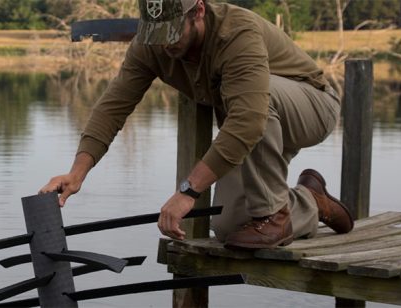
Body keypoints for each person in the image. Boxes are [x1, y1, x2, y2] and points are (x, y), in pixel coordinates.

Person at [40, 0, 354, 249]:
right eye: (157, 35)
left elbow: (247, 122)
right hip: (255, 128)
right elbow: (112, 107)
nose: (165, 45)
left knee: (258, 102)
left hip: (310, 107)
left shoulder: (236, 32)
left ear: (198, 11)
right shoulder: (151, 44)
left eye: (173, 33)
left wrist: (187, 191)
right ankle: (311, 201)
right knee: (229, 227)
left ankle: (275, 214)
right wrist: (77, 173)